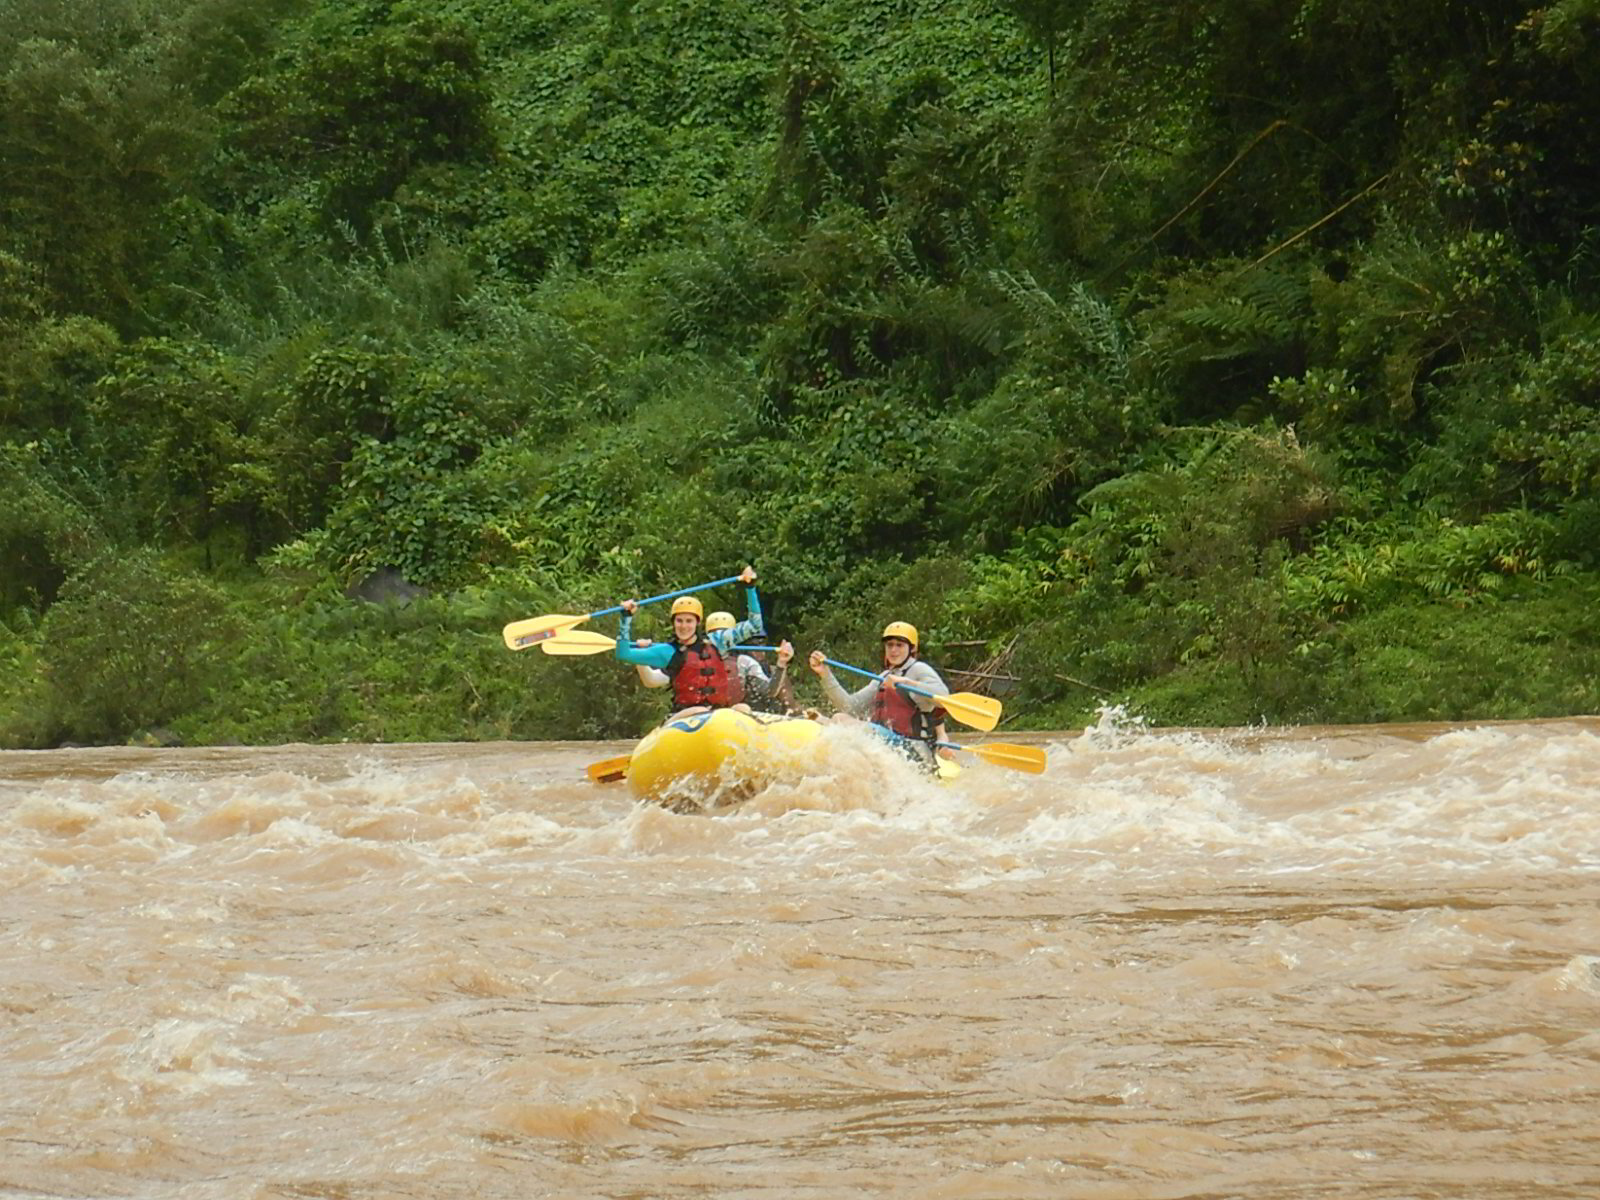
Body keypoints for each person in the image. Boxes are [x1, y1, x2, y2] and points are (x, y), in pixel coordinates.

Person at [613, 566, 764, 715]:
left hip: (718, 713)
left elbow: (755, 626)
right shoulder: (667, 651)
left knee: (743, 709)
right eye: (679, 621)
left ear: (697, 623)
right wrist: (625, 618)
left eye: (689, 621)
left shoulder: (717, 642)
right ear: (673, 623)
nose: (684, 626)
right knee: (699, 710)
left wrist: (750, 588)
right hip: (684, 715)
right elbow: (623, 653)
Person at [808, 621, 951, 768]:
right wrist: (825, 674)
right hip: (887, 746)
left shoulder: (919, 669)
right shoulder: (884, 676)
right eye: (890, 645)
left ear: (912, 648)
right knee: (840, 717)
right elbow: (849, 706)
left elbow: (944, 698)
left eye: (899, 645)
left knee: (858, 726)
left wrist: (908, 683)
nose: (893, 650)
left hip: (914, 750)